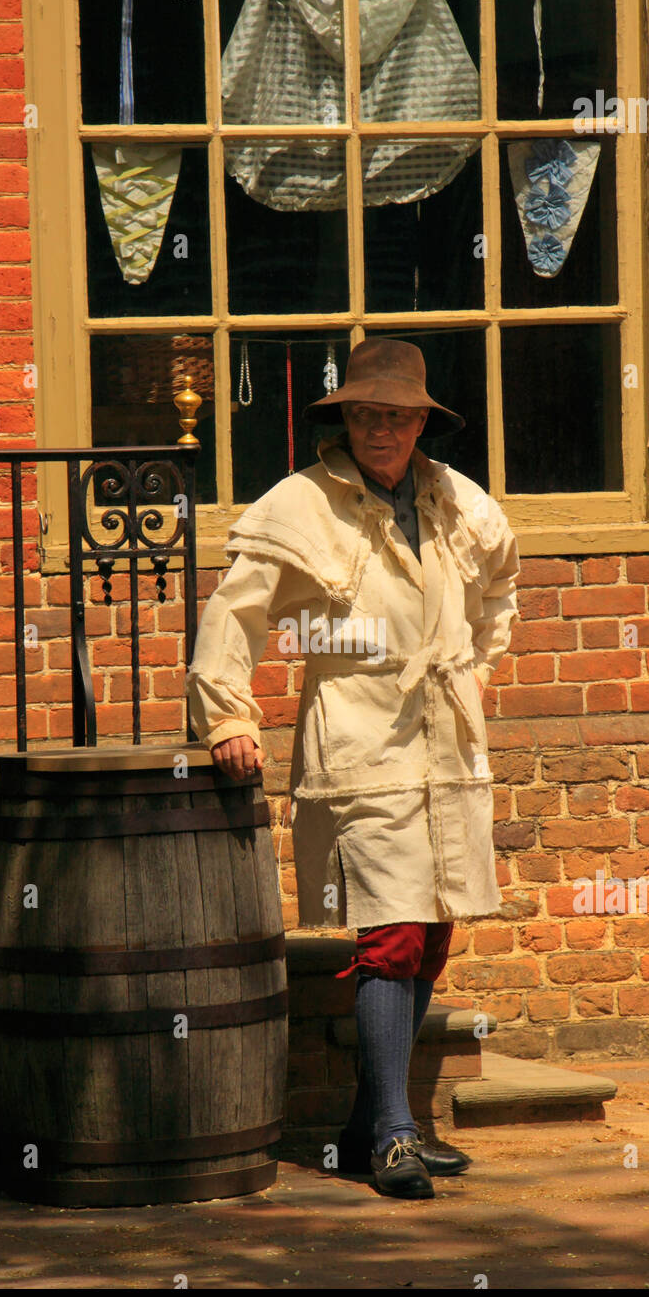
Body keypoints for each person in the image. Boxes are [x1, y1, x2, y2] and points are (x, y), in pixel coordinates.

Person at [186, 338, 519, 1200]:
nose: (382, 429)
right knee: (390, 933)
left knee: (433, 930)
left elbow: (499, 587)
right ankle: (397, 1136)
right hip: (360, 742)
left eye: (397, 416)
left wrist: (475, 666)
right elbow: (235, 610)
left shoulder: (456, 501)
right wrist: (227, 712)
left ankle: (372, 1122)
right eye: (367, 414)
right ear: (345, 418)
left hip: (447, 743)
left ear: (420, 422)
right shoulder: (302, 507)